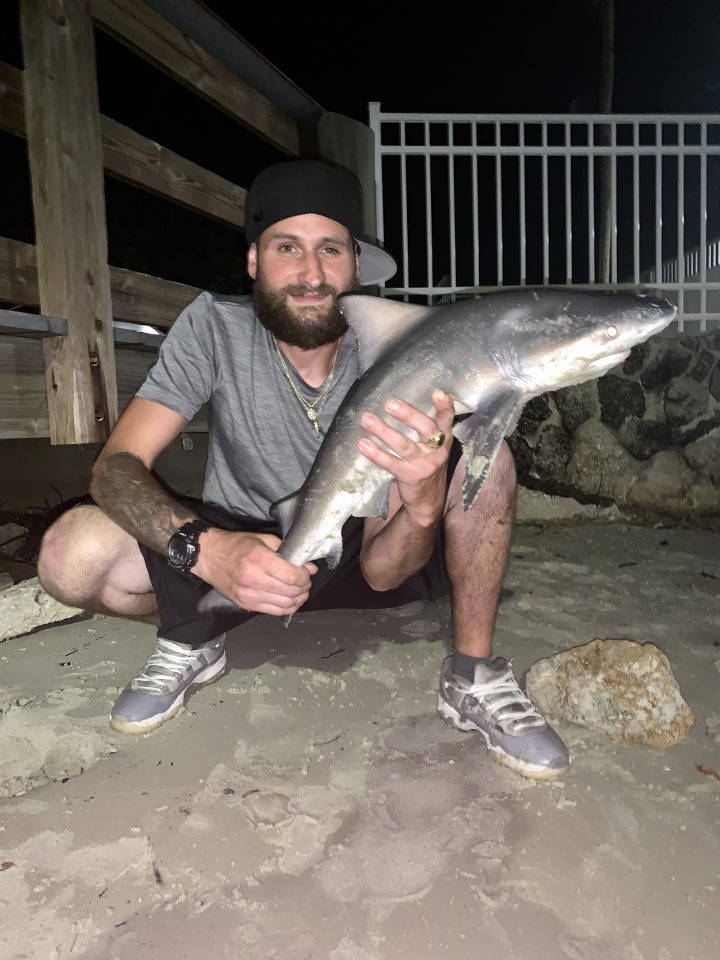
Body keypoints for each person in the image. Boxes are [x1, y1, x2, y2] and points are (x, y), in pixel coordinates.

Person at [37, 159, 569, 781]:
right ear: (255, 260)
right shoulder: (214, 327)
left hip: (364, 545)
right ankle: (197, 636)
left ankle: (473, 673)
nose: (312, 274)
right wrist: (207, 552)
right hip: (244, 550)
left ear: (356, 266)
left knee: (491, 456)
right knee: (68, 553)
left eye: (331, 250)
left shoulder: (409, 350)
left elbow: (385, 568)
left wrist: (423, 501)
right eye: (287, 247)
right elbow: (116, 468)